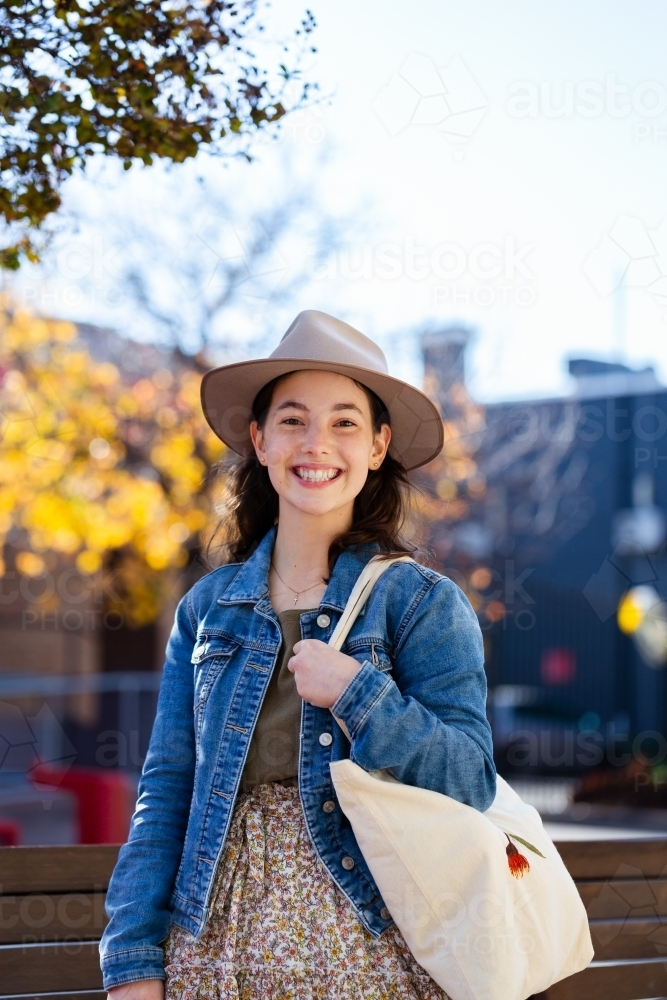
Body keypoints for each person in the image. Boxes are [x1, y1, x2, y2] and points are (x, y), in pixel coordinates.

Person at [100, 310, 496, 1000]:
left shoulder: (418, 603)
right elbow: (166, 791)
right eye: (292, 420)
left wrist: (357, 692)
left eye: (344, 422)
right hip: (214, 936)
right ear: (259, 440)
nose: (317, 443)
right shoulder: (205, 609)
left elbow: (469, 779)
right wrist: (132, 962)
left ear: (377, 446)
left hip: (370, 937)